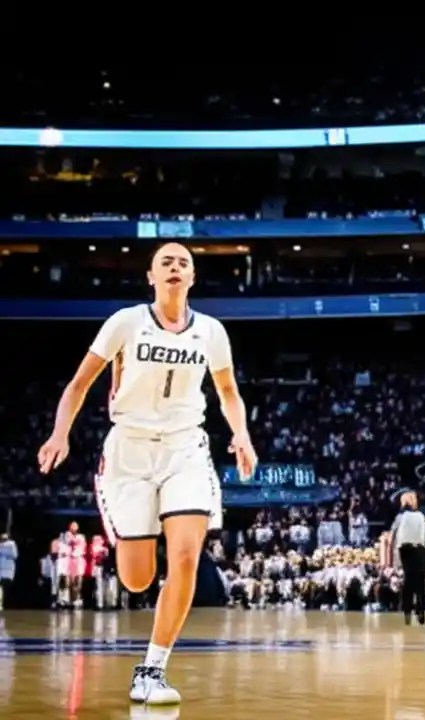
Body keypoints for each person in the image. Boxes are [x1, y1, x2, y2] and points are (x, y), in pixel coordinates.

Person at [37, 241, 258, 705]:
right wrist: (60, 434)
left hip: (185, 448)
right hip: (129, 452)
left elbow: (228, 391)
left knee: (185, 557)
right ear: (151, 277)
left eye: (184, 263)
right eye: (166, 262)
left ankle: (152, 669)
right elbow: (79, 384)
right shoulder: (125, 322)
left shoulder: (212, 332)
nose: (175, 267)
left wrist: (241, 434)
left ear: (193, 278)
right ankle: (134, 541)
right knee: (138, 578)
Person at [392, 490, 425, 624]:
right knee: (418, 584)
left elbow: (394, 536)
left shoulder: (402, 517)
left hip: (409, 551)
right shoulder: (420, 516)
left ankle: (410, 612)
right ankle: (417, 611)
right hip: (416, 551)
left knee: (410, 583)